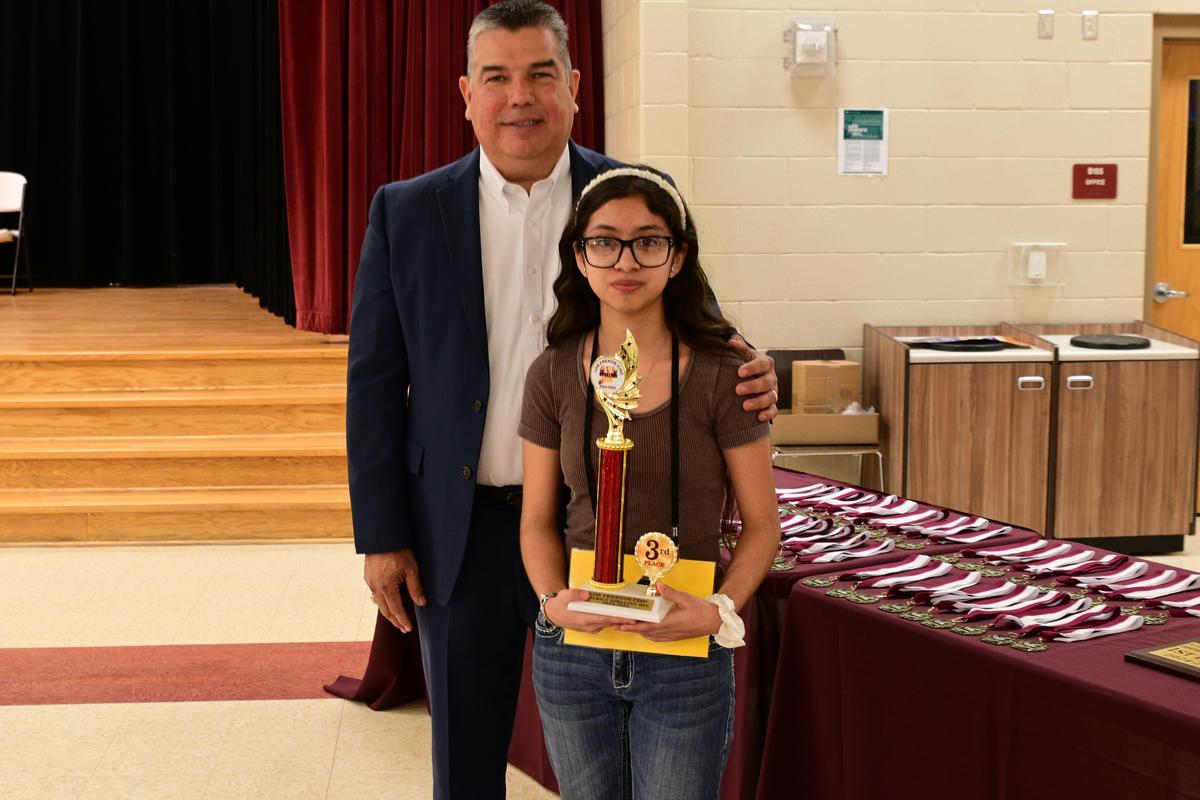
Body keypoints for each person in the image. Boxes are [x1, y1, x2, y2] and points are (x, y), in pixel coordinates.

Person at [346, 2, 779, 798]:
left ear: (575, 87)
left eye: (541, 74)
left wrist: (756, 368)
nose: (521, 97)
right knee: (466, 761)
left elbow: (703, 326)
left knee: (606, 755)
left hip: (602, 528)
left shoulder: (630, 195)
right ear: (465, 95)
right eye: (498, 78)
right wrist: (380, 534)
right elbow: (372, 385)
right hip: (461, 528)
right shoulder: (405, 213)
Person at [518, 166, 782, 800]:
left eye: (649, 241)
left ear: (677, 255)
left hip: (684, 647)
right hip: (575, 649)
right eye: (604, 241)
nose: (625, 260)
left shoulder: (726, 376)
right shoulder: (552, 374)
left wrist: (718, 610)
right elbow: (536, 520)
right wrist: (554, 601)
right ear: (580, 257)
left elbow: (762, 525)